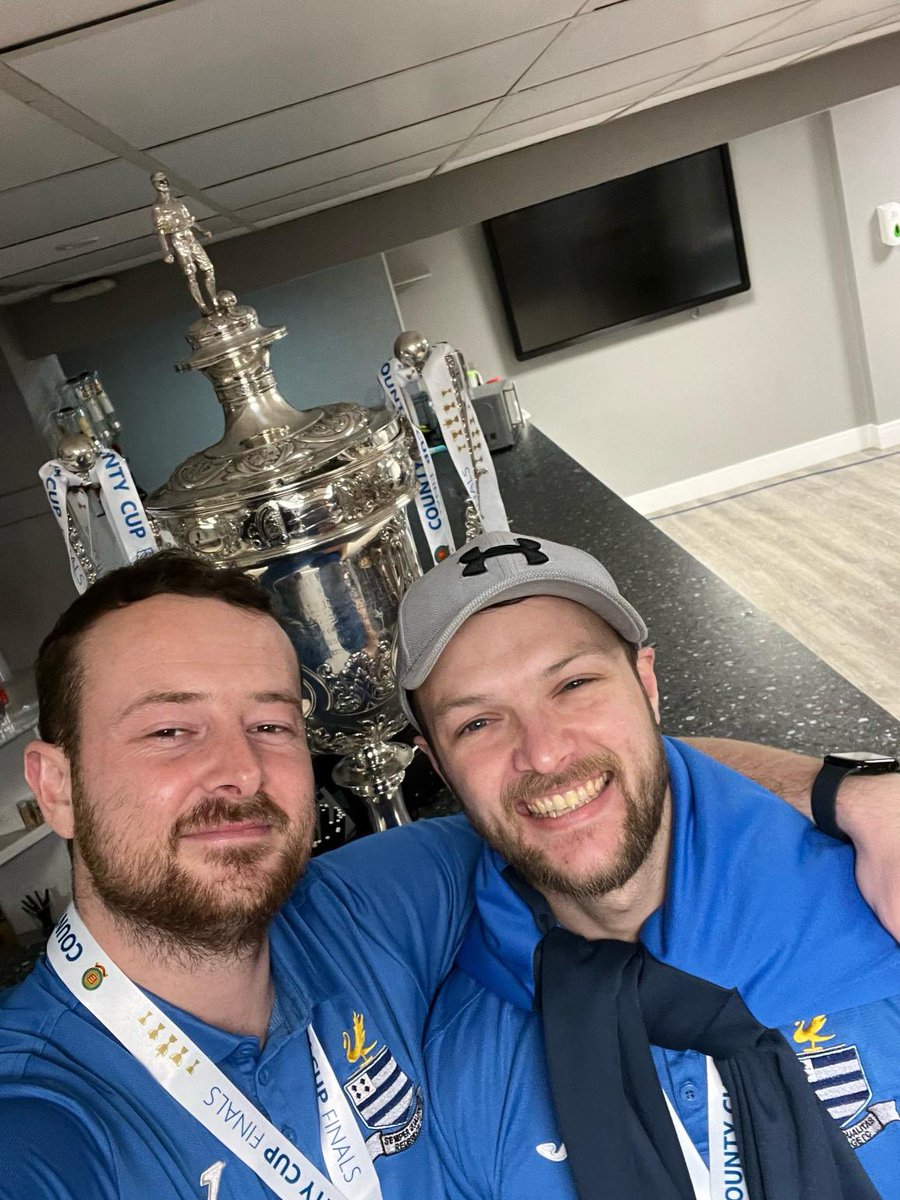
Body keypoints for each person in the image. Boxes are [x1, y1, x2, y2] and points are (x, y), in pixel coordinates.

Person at [0, 548, 895, 1198]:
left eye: (269, 725)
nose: (238, 771)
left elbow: (579, 791)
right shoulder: (43, 1114)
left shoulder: (363, 912)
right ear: (56, 787)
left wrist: (849, 792)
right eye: (170, 730)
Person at [396, 532, 900, 1199]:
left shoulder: (882, 906)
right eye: (478, 724)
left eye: (574, 684)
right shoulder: (457, 1069)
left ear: (647, 684)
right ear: (439, 767)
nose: (543, 754)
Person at [151, 172, 218, 314]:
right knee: (190, 274)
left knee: (209, 268)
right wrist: (166, 251)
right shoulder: (157, 208)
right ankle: (202, 306)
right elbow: (161, 231)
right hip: (178, 240)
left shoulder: (178, 202)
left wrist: (202, 230)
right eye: (160, 181)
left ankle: (215, 301)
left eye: (165, 180)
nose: (164, 183)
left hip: (190, 236)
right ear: (155, 185)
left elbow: (189, 220)